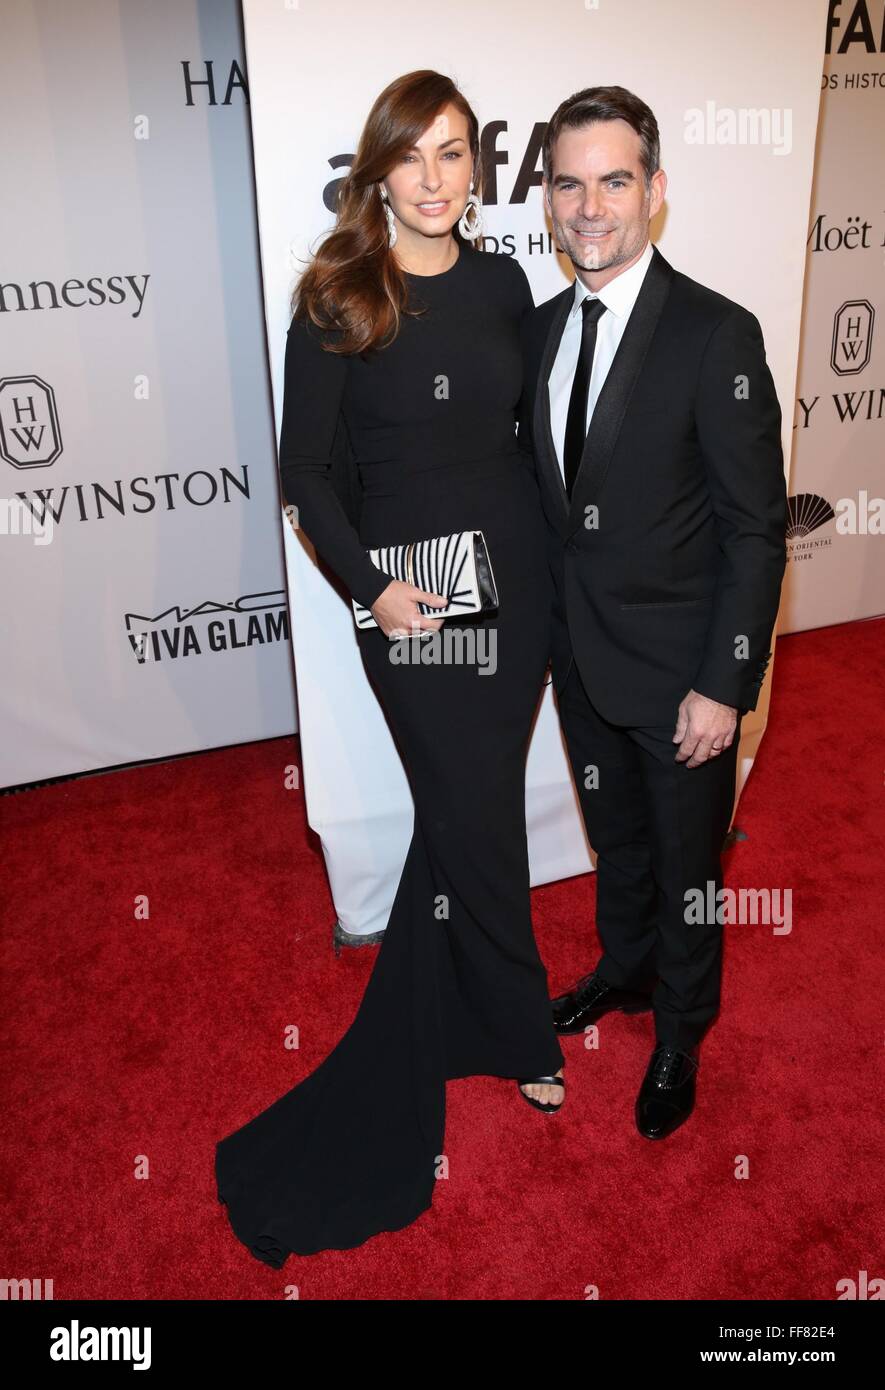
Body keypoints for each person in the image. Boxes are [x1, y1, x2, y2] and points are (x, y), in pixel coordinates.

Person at [215, 70, 564, 1266]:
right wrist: (373, 590)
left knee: (476, 815)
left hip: (508, 586)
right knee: (470, 810)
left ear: (479, 170)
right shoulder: (337, 293)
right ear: (379, 169)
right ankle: (523, 1031)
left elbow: (527, 444)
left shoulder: (508, 283)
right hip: (413, 603)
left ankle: (481, 1010)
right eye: (412, 155)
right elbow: (304, 472)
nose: (434, 178)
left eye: (456, 154)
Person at [520, 86, 787, 1140]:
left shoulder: (717, 334)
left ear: (656, 192)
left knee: (688, 871)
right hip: (580, 663)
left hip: (683, 677)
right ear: (546, 197)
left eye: (614, 180)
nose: (591, 206)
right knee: (619, 845)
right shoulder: (537, 334)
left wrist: (725, 684)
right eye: (569, 182)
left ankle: (681, 1029)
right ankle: (623, 973)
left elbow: (756, 530)